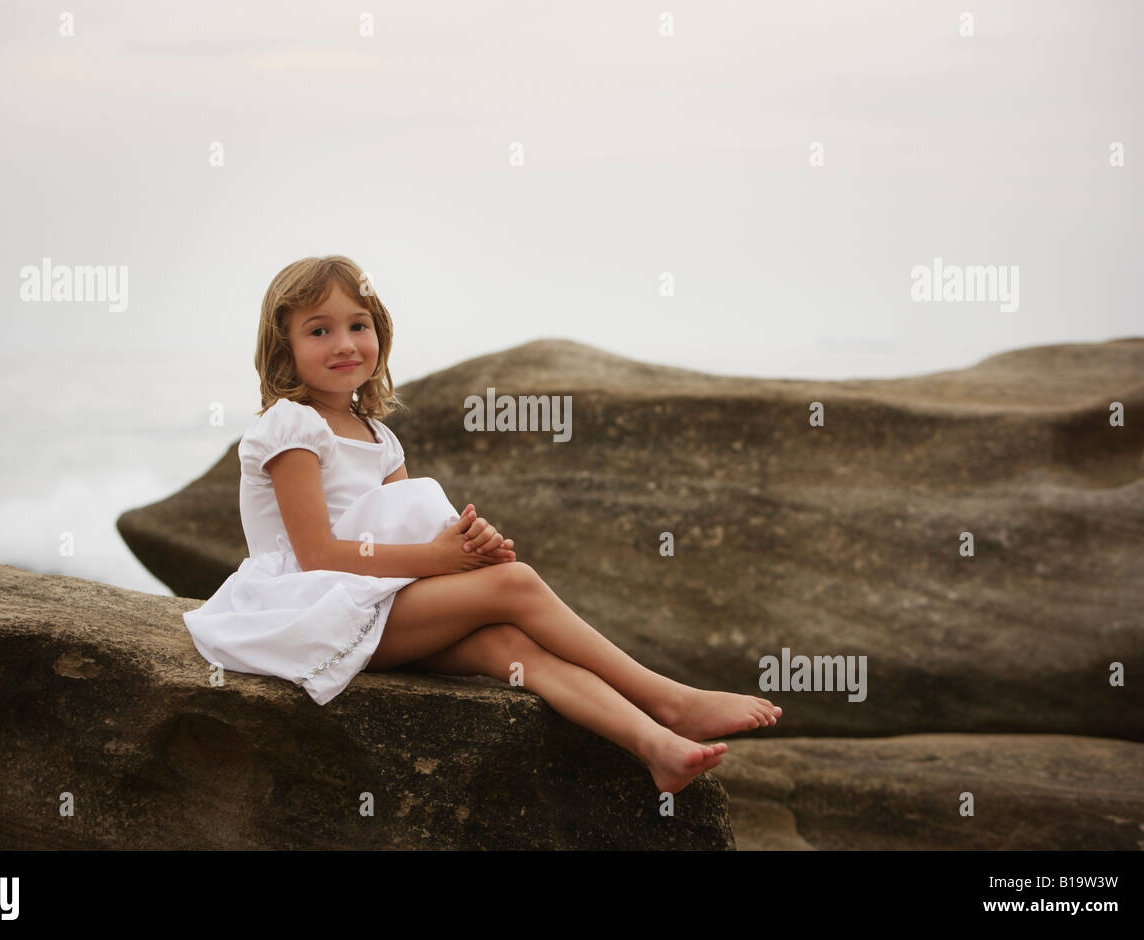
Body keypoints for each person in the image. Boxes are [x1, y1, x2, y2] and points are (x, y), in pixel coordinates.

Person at [183, 255, 783, 794]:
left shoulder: (378, 436)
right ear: (284, 350)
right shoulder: (291, 426)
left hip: (377, 606)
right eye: (319, 330)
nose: (344, 343)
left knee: (510, 647)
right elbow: (316, 553)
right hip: (308, 610)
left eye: (358, 325)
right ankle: (671, 701)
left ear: (380, 336)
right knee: (516, 585)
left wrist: (468, 548)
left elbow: (408, 528)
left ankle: (658, 748)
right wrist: (442, 562)